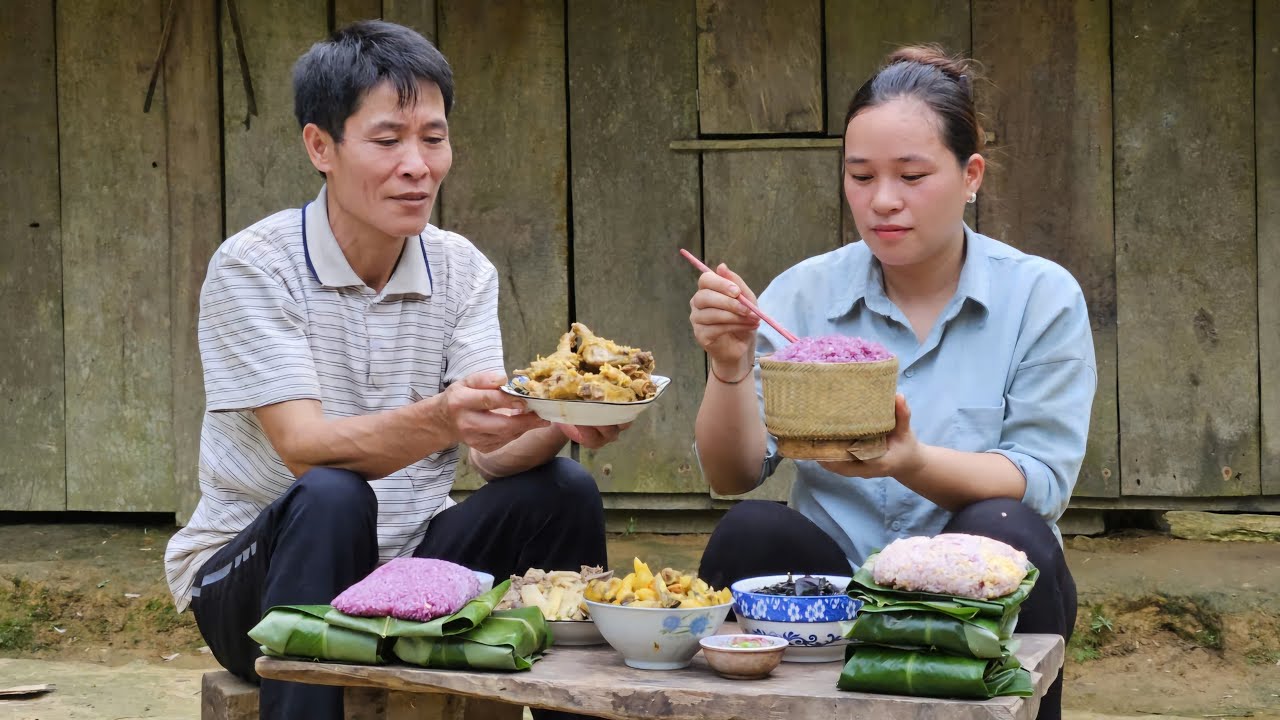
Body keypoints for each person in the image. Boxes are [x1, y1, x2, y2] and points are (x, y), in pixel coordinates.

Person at [164, 21, 626, 720]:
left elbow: (491, 453)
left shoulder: (462, 269)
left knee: (560, 489)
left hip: (412, 567)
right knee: (332, 494)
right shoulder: (253, 267)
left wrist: (563, 420)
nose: (417, 165)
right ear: (321, 146)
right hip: (252, 579)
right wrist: (442, 415)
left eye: (433, 139)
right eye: (388, 140)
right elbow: (303, 449)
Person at [687, 45, 1094, 720]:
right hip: (832, 585)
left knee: (1007, 527)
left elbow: (1041, 478)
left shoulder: (1039, 297)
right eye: (860, 175)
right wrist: (728, 365)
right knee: (750, 532)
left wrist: (911, 463)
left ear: (971, 176)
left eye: (912, 175)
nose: (882, 201)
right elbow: (732, 474)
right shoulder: (802, 294)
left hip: (969, 586)